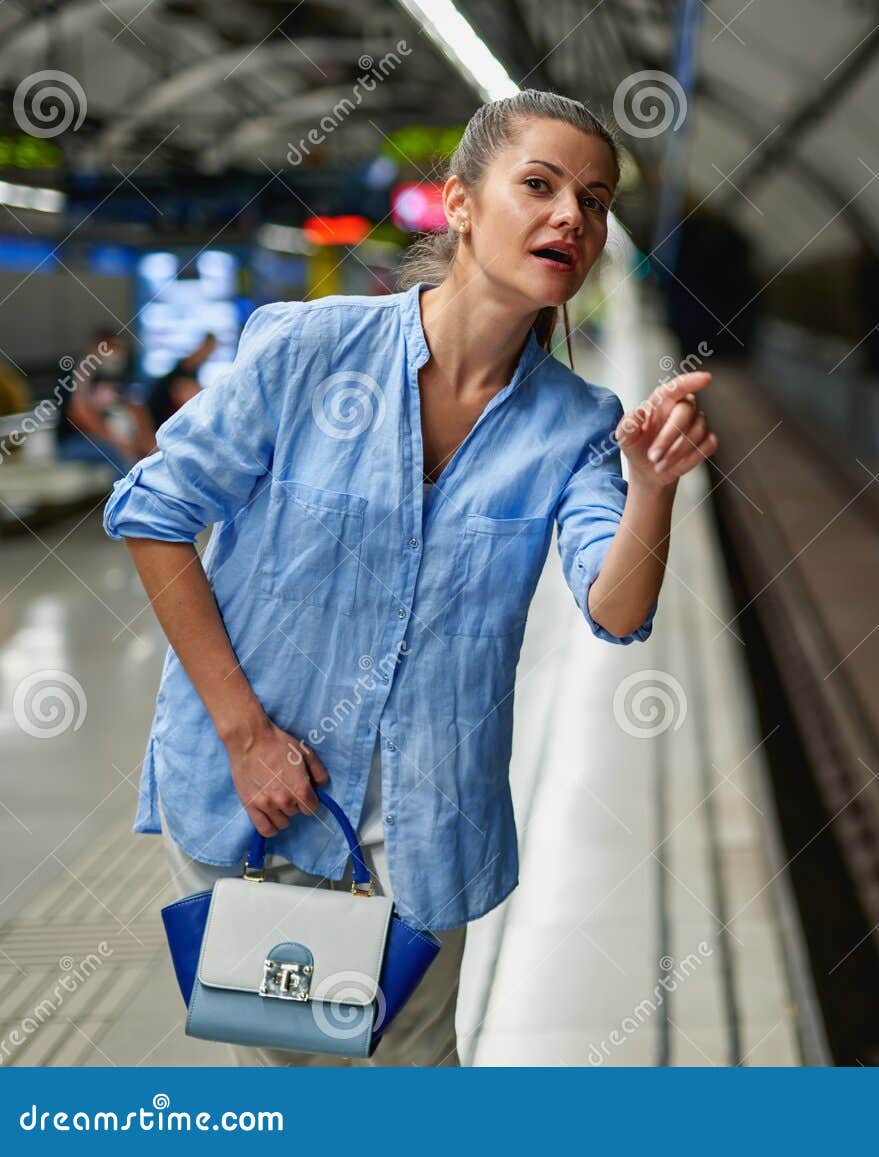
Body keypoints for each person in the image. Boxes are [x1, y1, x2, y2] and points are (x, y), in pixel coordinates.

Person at [102, 89, 718, 1066]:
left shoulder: (576, 422)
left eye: (594, 202)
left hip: (424, 819)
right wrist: (247, 735)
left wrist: (650, 488)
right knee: (291, 1075)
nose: (572, 216)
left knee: (412, 1078)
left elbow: (616, 607)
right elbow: (152, 513)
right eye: (540, 185)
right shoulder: (310, 350)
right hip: (256, 797)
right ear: (462, 203)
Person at [56, 328, 155, 477]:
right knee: (117, 456)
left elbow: (136, 408)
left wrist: (147, 443)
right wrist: (119, 444)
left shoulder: (115, 375)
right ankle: (125, 499)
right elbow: (80, 415)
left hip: (113, 438)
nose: (116, 354)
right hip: (73, 443)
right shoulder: (79, 373)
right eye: (111, 348)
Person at [144, 332, 215, 431]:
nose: (209, 355)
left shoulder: (191, 370)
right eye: (209, 350)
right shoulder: (183, 373)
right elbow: (195, 405)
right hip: (156, 427)